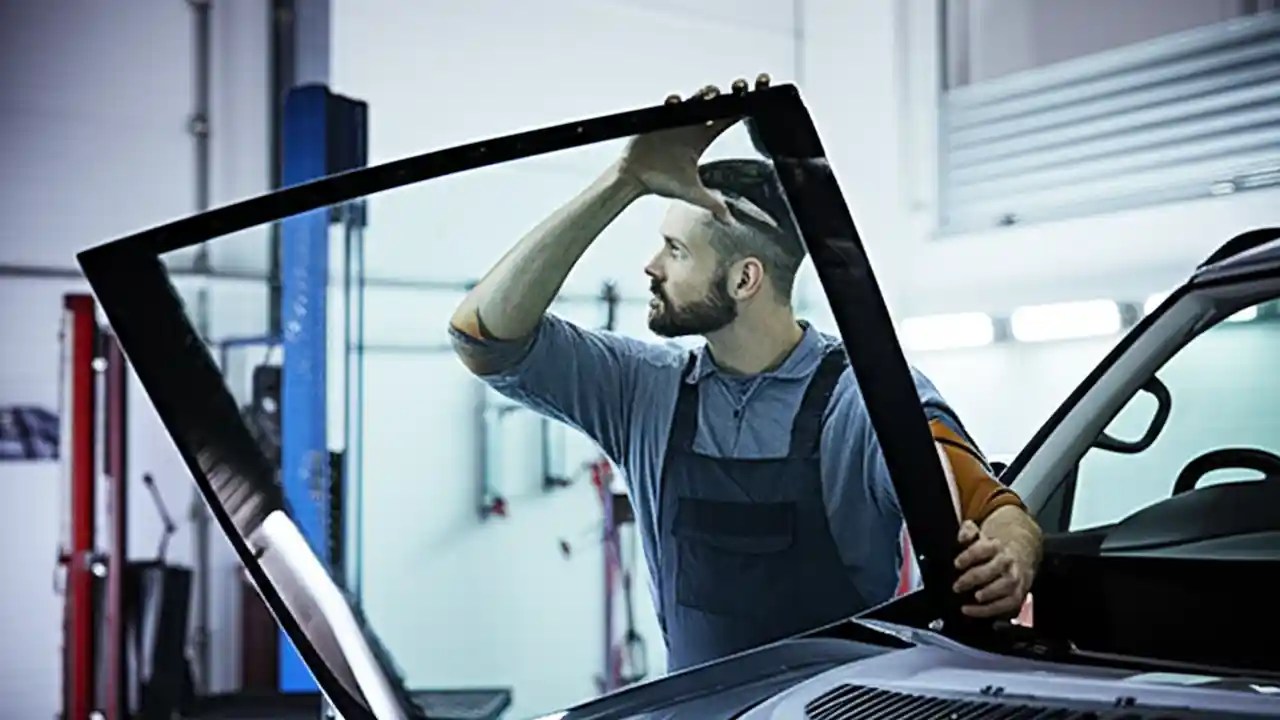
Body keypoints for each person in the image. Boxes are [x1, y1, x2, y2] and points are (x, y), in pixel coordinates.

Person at [448, 101, 1043, 672]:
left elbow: (994, 510)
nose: (651, 266)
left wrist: (1009, 559)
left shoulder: (866, 400)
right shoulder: (639, 391)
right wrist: (624, 180)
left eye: (675, 250)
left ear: (744, 279)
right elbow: (483, 338)